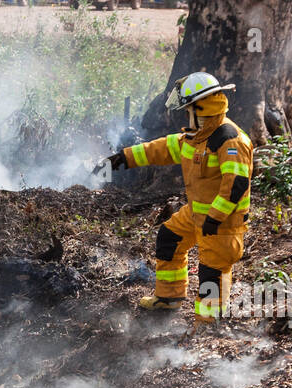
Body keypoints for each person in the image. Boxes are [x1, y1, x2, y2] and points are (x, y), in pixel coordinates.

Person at [107, 72, 254, 325]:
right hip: (196, 215)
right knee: (169, 238)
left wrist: (215, 218)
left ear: (201, 108)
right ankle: (169, 297)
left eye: (189, 110)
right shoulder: (197, 138)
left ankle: (208, 327)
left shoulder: (230, 141)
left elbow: (236, 185)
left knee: (212, 273)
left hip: (222, 224)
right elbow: (162, 148)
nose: (186, 115)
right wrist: (124, 157)